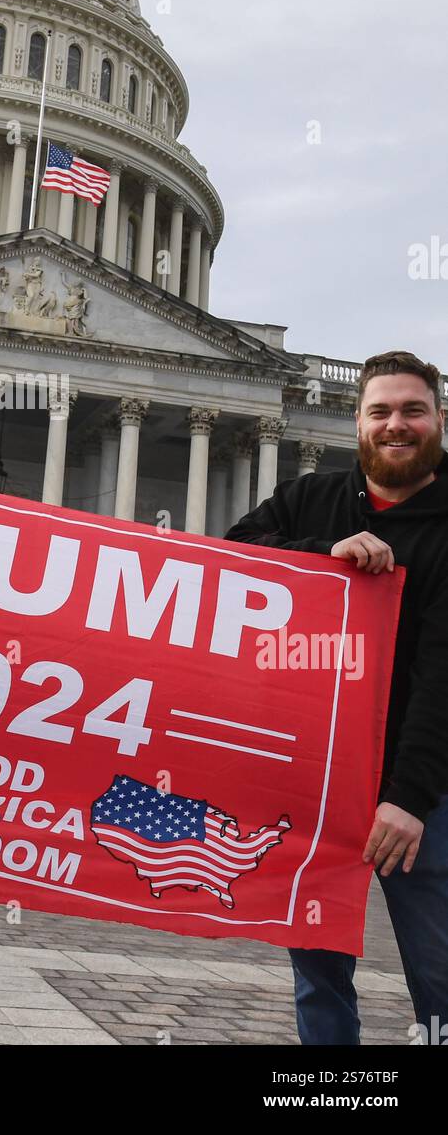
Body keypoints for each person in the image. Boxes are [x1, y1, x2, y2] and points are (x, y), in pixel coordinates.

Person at [226, 349, 448, 1045]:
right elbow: (229, 565)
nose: (396, 425)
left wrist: (409, 798)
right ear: (357, 422)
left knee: (439, 976)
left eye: (413, 410)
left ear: (440, 419)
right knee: (318, 978)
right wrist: (323, 555)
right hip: (322, 783)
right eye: (381, 411)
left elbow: (446, 675)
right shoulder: (310, 498)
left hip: (423, 794)